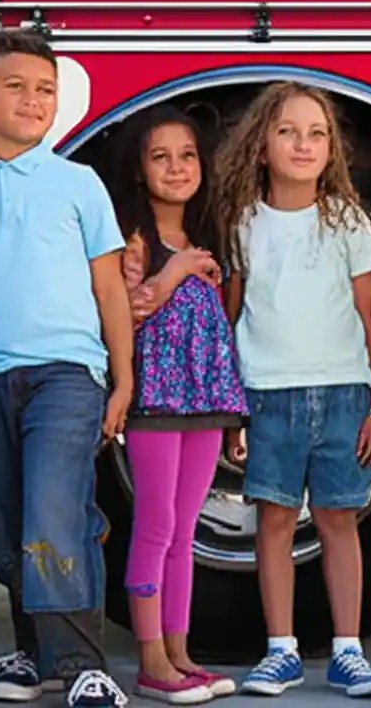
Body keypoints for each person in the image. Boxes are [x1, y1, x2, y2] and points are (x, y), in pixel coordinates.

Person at [0, 29, 133, 707]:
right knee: (5, 516)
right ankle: (34, 651)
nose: (33, 99)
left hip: (67, 374)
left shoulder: (79, 183)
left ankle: (81, 665)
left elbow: (109, 287)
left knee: (53, 512)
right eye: (16, 85)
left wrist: (122, 376)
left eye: (46, 88)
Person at [214, 81, 371, 699]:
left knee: (340, 520)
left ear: (331, 148)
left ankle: (349, 651)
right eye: (288, 130)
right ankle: (280, 651)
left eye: (317, 133)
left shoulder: (347, 222)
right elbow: (234, 322)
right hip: (269, 395)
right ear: (261, 145)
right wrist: (233, 410)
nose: (303, 143)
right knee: (275, 523)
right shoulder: (243, 224)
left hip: (343, 393)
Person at [111, 104, 248, 703]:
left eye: (186, 155)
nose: (176, 167)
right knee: (156, 524)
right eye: (160, 156)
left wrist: (234, 412)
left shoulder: (205, 238)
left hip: (204, 406)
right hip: (156, 405)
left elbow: (220, 332)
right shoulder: (137, 242)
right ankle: (149, 659)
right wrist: (177, 272)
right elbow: (126, 310)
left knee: (186, 529)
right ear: (140, 171)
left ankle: (179, 651)